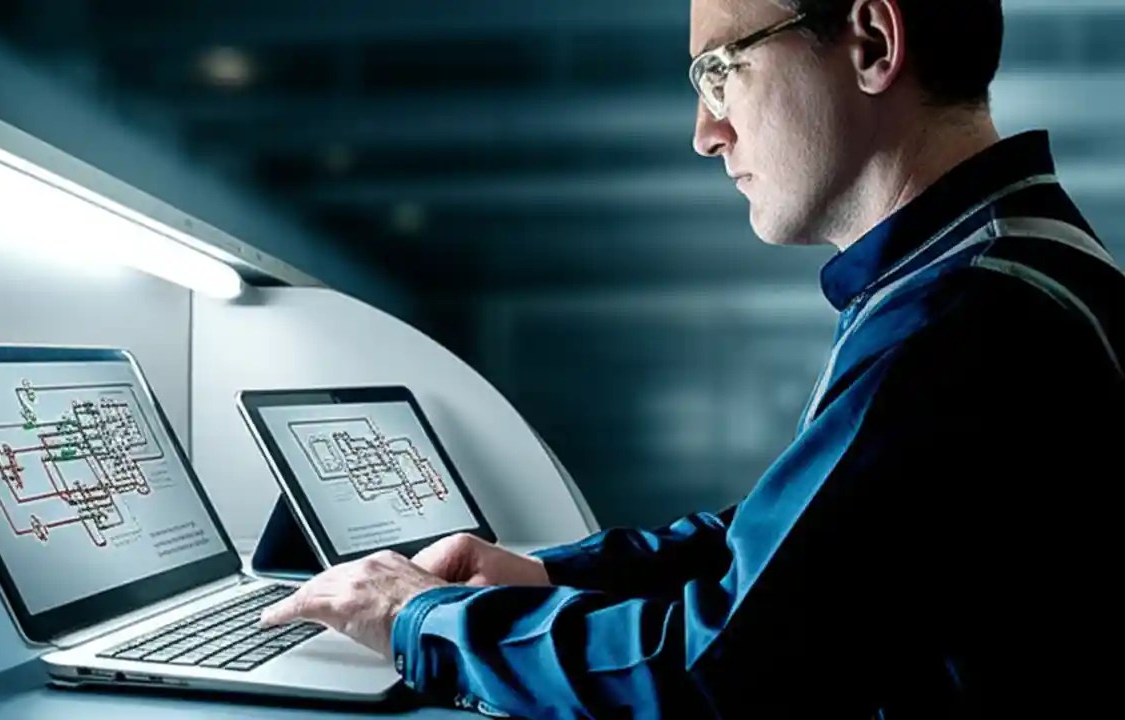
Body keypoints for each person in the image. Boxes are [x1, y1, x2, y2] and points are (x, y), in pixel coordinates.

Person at [260, 0, 1123, 716]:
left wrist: (419, 620)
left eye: (720, 70)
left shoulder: (959, 319)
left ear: (871, 43)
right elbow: (796, 545)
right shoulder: (1002, 263)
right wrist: (548, 572)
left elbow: (718, 669)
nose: (707, 132)